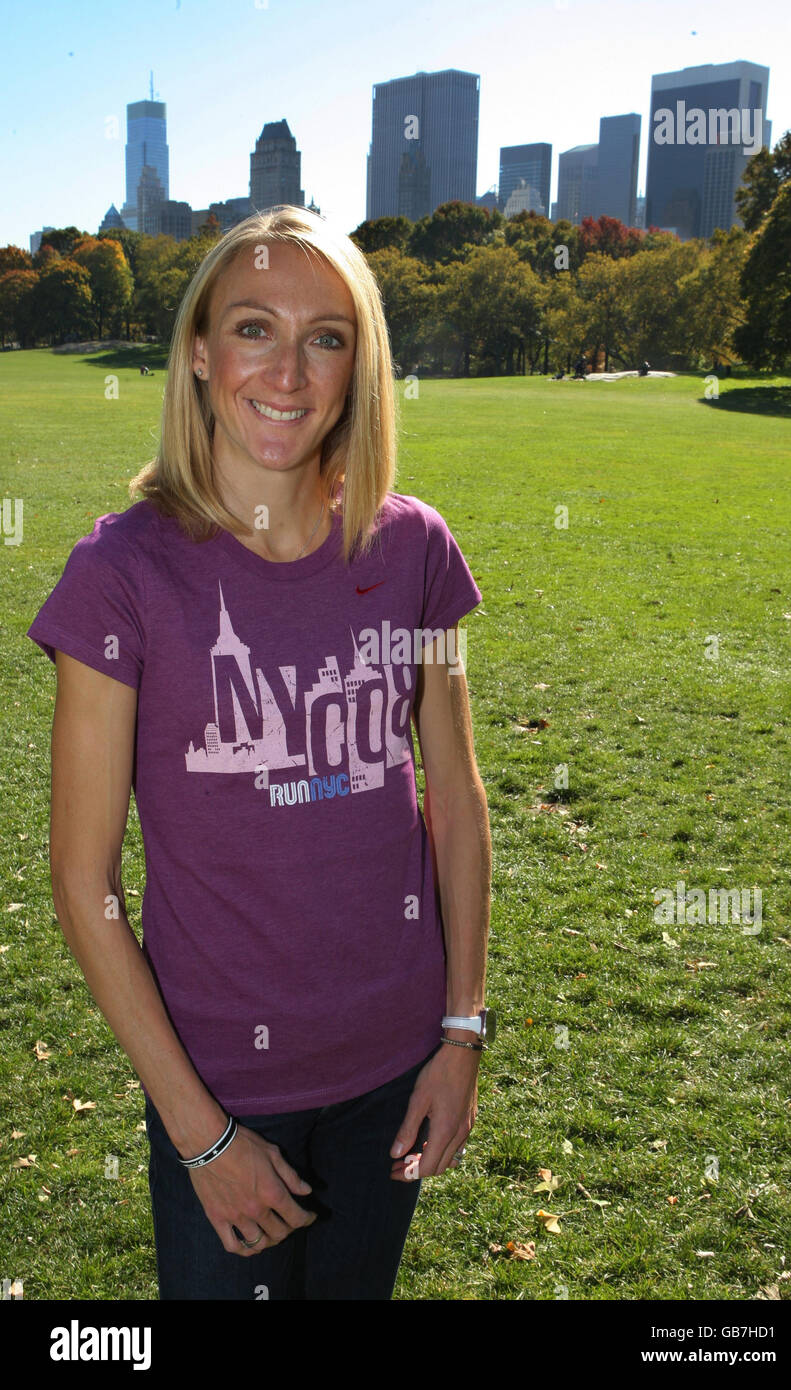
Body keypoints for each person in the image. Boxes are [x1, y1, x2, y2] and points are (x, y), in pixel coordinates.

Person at [26, 206, 493, 1301]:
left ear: (358, 366)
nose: (288, 372)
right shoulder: (122, 575)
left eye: (326, 337)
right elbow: (83, 881)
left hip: (398, 1064)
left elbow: (457, 802)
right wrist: (200, 1134)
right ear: (199, 351)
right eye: (253, 329)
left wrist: (461, 1031)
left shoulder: (415, 548)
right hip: (225, 1088)